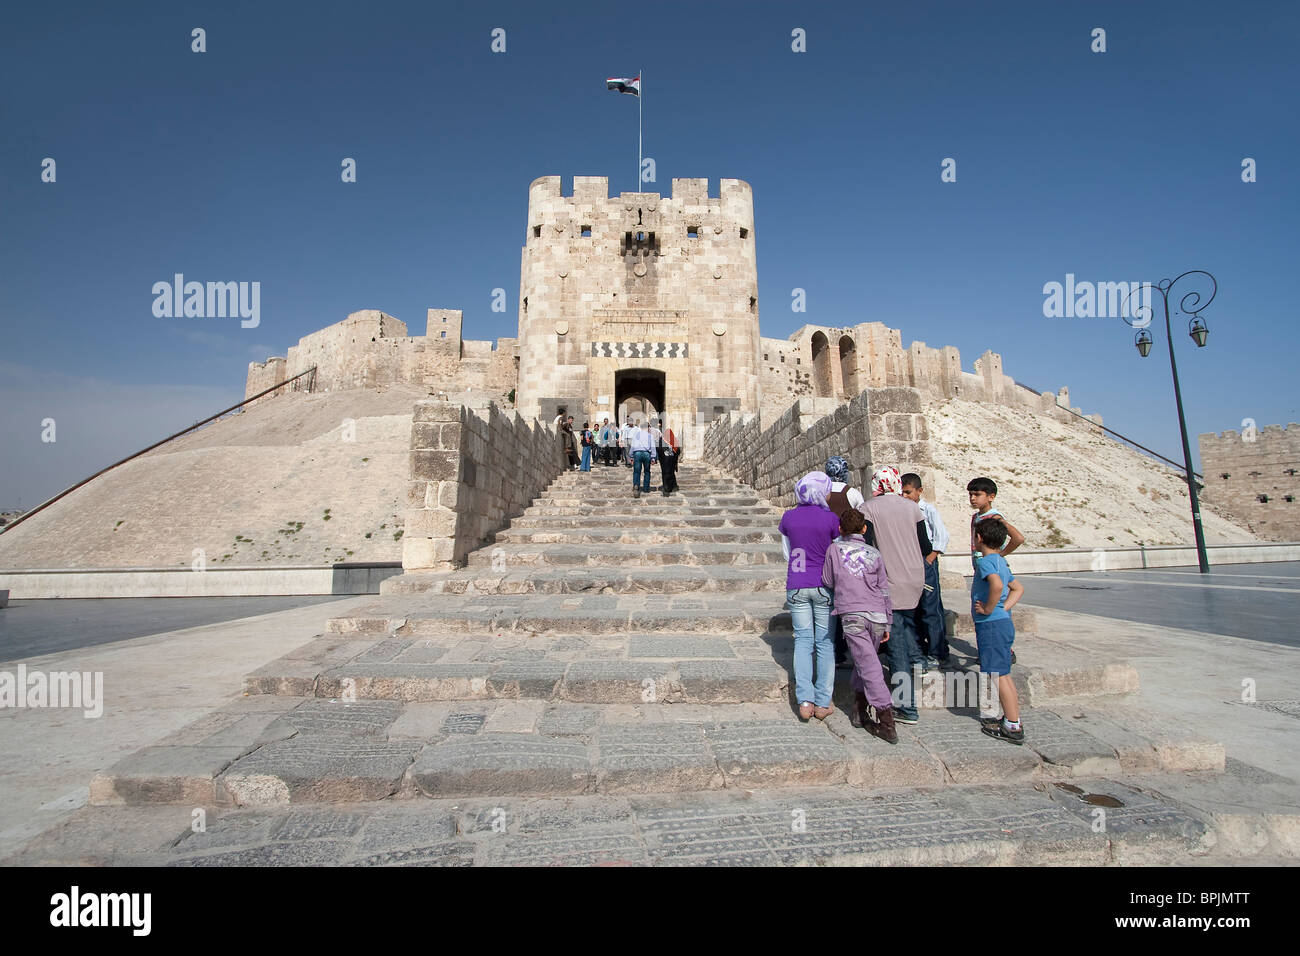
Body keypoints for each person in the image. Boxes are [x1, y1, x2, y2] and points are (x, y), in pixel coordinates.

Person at [859, 466, 932, 726]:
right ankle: (920, 663)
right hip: (915, 577)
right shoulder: (913, 507)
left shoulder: (869, 508)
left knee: (896, 644)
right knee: (908, 626)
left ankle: (907, 706)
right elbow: (926, 546)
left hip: (891, 580)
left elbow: (864, 545)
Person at [821, 507, 897, 743]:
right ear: (864, 529)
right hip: (877, 615)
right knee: (865, 662)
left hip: (853, 614)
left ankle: (886, 720)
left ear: (841, 529)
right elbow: (884, 588)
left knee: (870, 667)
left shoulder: (835, 549)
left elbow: (827, 579)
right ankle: (858, 708)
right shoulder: (874, 553)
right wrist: (888, 621)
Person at [778, 472, 842, 721]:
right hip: (823, 585)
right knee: (825, 642)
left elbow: (787, 552)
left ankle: (804, 701)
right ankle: (823, 701)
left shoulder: (788, 517)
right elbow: (836, 553)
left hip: (796, 584)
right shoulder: (830, 519)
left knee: (803, 641)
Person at [971, 517, 1025, 745]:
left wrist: (988, 608)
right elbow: (1018, 588)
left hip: (991, 625)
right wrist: (1004, 608)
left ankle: (1012, 726)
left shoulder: (985, 563)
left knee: (998, 675)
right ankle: (1012, 719)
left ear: (979, 538)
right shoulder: (1001, 561)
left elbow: (997, 585)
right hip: (1003, 622)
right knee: (1004, 674)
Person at [901, 472, 951, 668]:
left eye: (908, 492)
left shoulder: (927, 510)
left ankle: (939, 652)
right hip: (909, 562)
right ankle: (919, 648)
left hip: (925, 561)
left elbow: (941, 536)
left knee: (931, 607)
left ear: (919, 491)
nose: (904, 496)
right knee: (913, 607)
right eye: (902, 493)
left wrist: (929, 560)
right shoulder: (903, 511)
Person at [825, 456, 866, 669]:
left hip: (827, 552)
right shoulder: (852, 493)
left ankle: (835, 650)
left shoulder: (822, 492)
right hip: (849, 552)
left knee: (832, 601)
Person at [966, 477, 1025, 570]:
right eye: (970, 495)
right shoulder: (976, 517)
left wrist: (1001, 554)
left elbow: (1018, 538)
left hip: (992, 566)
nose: (972, 498)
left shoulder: (994, 517)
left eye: (977, 495)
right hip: (979, 565)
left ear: (991, 497)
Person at [628, 419, 657, 497]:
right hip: (647, 453)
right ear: (647, 428)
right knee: (647, 471)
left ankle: (636, 486)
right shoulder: (650, 436)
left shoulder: (636, 435)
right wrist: (653, 457)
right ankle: (646, 488)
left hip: (637, 453)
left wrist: (631, 456)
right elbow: (653, 447)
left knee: (637, 471)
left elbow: (633, 446)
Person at [658, 417, 680, 495]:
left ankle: (667, 488)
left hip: (665, 459)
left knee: (666, 473)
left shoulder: (662, 439)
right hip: (672, 459)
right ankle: (673, 486)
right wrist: (675, 457)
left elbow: (659, 449)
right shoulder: (673, 438)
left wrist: (660, 458)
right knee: (671, 472)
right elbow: (678, 449)